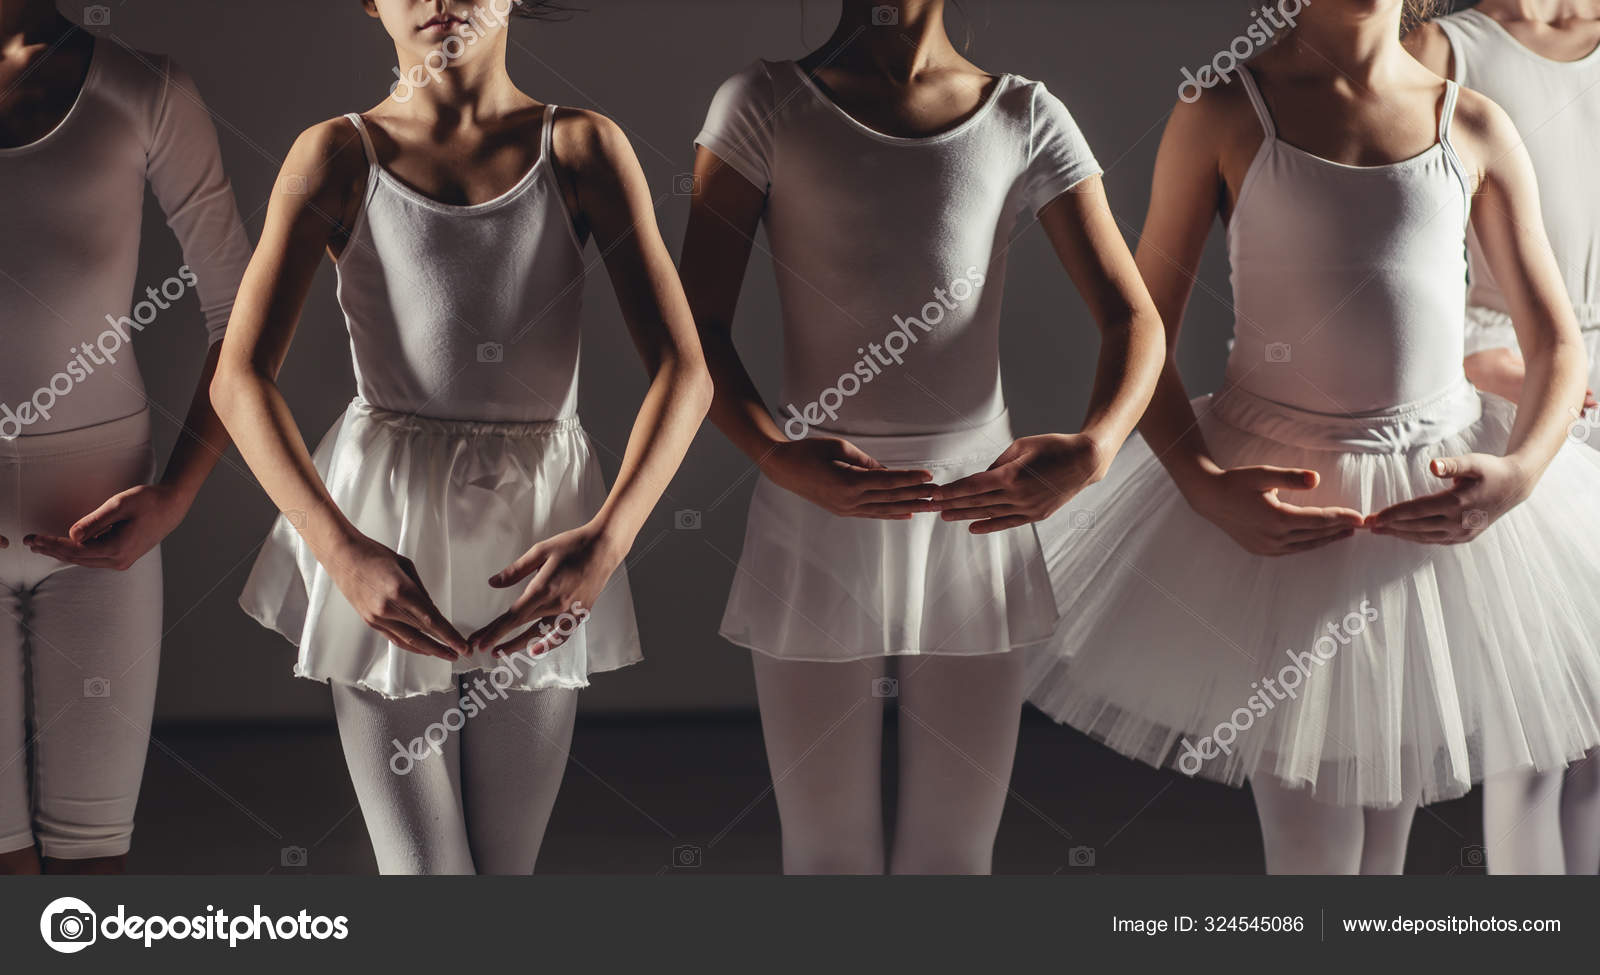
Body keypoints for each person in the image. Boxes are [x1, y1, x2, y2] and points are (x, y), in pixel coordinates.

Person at [1025, 0, 1600, 875]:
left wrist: (1518, 473)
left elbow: (1556, 340)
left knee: (1386, 845)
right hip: (1286, 503)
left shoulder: (1472, 121)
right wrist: (1203, 482)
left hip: (1424, 507)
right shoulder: (1224, 109)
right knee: (1316, 849)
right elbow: (1141, 332)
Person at [213, 0, 711, 875]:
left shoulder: (581, 146)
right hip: (384, 521)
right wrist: (340, 550)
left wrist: (608, 537)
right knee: (426, 878)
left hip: (540, 526)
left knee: (504, 870)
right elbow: (238, 376)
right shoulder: (337, 152)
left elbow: (687, 370)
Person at [682, 0, 1164, 874]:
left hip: (977, 513)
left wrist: (1094, 450)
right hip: (820, 505)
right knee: (827, 855)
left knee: (954, 854)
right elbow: (696, 327)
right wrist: (774, 454)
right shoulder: (763, 103)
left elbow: (1134, 316)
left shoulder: (1022, 112)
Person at [0, 0, 250, 874]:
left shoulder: (144, 91)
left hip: (104, 540)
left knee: (89, 874)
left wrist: (177, 496)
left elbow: (243, 317)